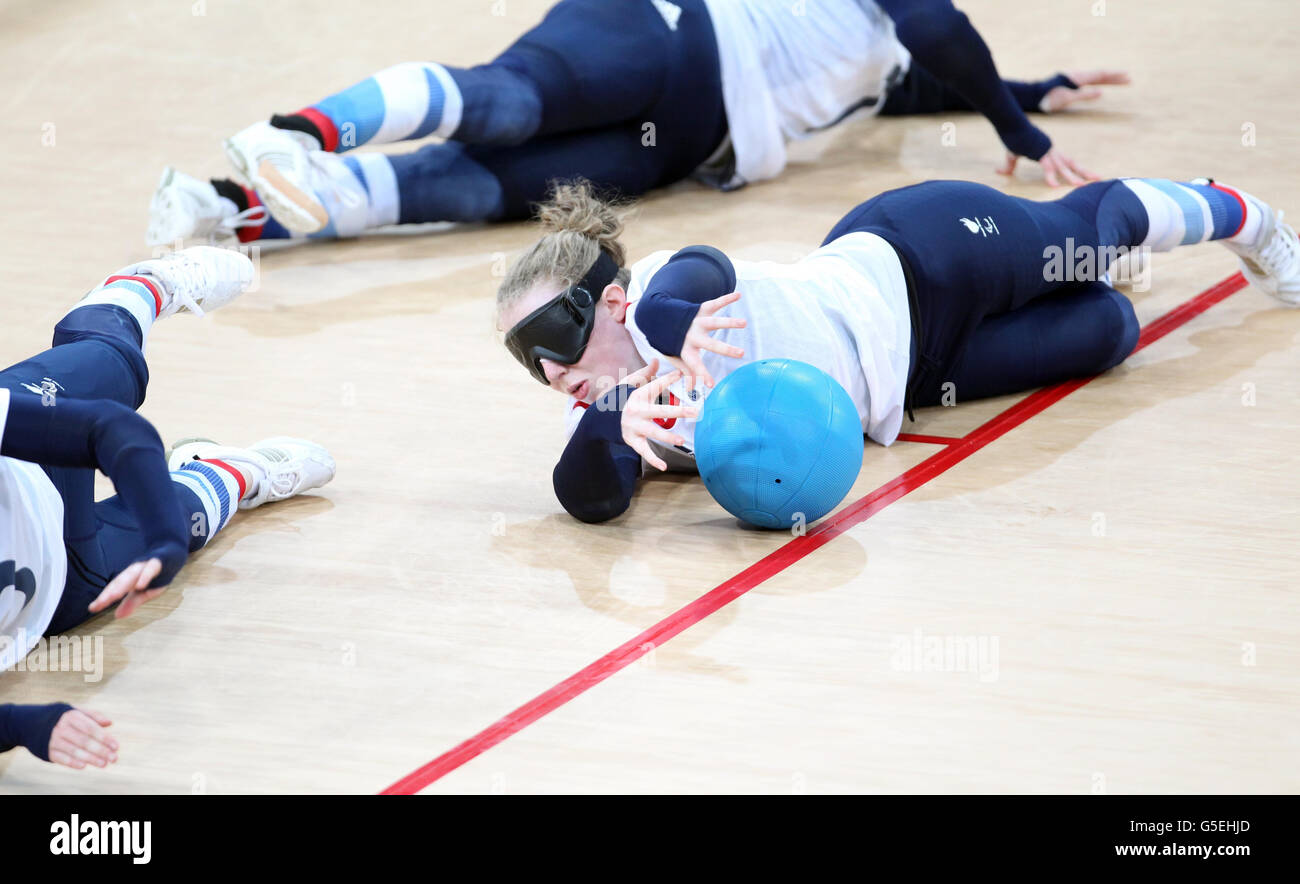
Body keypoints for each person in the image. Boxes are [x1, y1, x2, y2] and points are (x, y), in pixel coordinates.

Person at [494, 177, 1299, 523]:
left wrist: (675, 336)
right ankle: (1084, 281)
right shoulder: (629, 412)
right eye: (528, 363)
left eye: (555, 340)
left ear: (610, 302)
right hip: (917, 375)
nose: (551, 370)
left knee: (1090, 237)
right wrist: (605, 421)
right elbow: (589, 498)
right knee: (1109, 333)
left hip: (920, 257)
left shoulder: (666, 288)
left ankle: (1244, 213)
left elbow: (691, 286)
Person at [144, 0, 1127, 247]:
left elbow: (912, 76)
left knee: (481, 188)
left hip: (690, 141)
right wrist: (1020, 134)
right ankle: (296, 133)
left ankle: (223, 210)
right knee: (511, 98)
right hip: (667, 34)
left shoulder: (887, 47)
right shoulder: (921, 13)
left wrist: (1031, 89)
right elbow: (941, 30)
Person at [1, 246, 336, 768]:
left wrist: (163, 540)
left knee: (112, 369)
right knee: (184, 525)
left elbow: (107, 429)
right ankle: (228, 469)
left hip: (27, 461)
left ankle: (144, 285)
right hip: (47, 601)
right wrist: (22, 726)